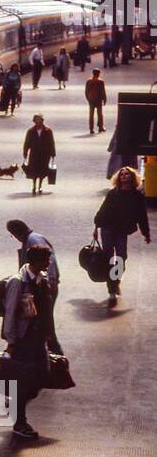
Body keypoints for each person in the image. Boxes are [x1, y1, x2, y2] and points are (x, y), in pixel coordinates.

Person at [2, 244, 63, 440]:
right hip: (23, 339)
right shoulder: (18, 282)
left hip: (39, 338)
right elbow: (10, 312)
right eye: (46, 260)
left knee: (42, 375)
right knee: (24, 380)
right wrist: (11, 341)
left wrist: (49, 336)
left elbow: (47, 311)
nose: (48, 263)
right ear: (36, 261)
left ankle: (15, 404)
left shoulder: (41, 280)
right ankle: (20, 422)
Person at [93, 166, 151, 309]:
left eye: (127, 174)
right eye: (122, 174)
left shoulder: (137, 196)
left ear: (132, 177)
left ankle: (115, 280)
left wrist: (146, 233)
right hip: (107, 228)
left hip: (121, 231)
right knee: (108, 257)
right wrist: (96, 227)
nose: (124, 176)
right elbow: (102, 210)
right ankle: (112, 288)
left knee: (121, 257)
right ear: (119, 178)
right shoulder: (113, 194)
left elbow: (142, 215)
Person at [6, 219, 60, 299]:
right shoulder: (28, 240)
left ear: (16, 234)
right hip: (38, 286)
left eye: (12, 235)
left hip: (44, 287)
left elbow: (49, 259)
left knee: (44, 310)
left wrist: (51, 281)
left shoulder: (33, 240)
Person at [22, 113, 55, 195]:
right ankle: (33, 185)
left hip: (45, 154)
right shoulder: (30, 131)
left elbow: (51, 142)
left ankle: (40, 185)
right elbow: (27, 142)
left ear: (42, 121)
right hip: (34, 153)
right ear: (34, 121)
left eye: (40, 120)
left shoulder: (48, 130)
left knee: (42, 170)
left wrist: (53, 153)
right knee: (34, 170)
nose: (38, 121)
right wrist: (25, 152)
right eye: (36, 120)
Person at [85, 68, 107, 134]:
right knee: (100, 114)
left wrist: (88, 99)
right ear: (99, 74)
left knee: (91, 115)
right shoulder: (101, 82)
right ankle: (100, 127)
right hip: (98, 100)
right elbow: (103, 92)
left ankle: (91, 129)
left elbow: (86, 91)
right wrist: (105, 99)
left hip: (91, 100)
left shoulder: (88, 81)